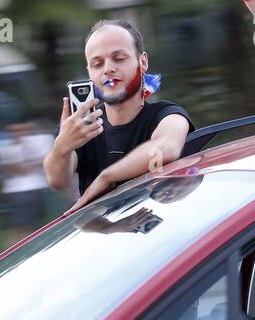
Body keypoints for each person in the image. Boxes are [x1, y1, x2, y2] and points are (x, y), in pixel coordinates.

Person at [44, 19, 194, 210]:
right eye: (97, 64)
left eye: (119, 58)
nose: (108, 69)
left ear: (143, 61)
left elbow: (167, 148)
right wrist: (62, 148)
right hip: (103, 236)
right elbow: (57, 181)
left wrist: (108, 177)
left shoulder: (165, 115)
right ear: (89, 72)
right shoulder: (83, 126)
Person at [0, 121, 55, 238]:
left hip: (40, 188)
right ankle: (14, 253)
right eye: (16, 131)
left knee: (45, 226)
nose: (21, 134)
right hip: (21, 192)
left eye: (24, 130)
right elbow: (20, 170)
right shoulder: (8, 149)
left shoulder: (39, 142)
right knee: (21, 227)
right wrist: (40, 161)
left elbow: (49, 160)